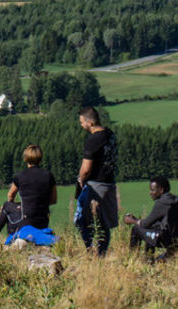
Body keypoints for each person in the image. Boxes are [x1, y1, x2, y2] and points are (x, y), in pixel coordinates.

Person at [0, 144, 57, 245]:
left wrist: (20, 205)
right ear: (40, 158)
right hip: (43, 221)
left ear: (25, 158)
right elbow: (53, 200)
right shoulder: (49, 176)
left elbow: (10, 195)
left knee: (7, 206)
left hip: (26, 220)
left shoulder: (20, 176)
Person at [75, 106, 119, 256]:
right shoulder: (110, 135)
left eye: (82, 122)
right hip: (109, 183)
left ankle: (91, 250)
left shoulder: (93, 140)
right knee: (104, 223)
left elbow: (86, 168)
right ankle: (101, 253)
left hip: (95, 184)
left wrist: (80, 179)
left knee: (83, 220)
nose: (81, 125)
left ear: (90, 122)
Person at [123, 177, 178, 256]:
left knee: (136, 229)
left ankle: (134, 258)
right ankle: (148, 258)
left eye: (152, 190)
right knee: (151, 228)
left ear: (161, 190)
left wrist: (131, 220)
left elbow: (145, 224)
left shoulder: (162, 202)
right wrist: (137, 219)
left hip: (169, 240)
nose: (150, 192)